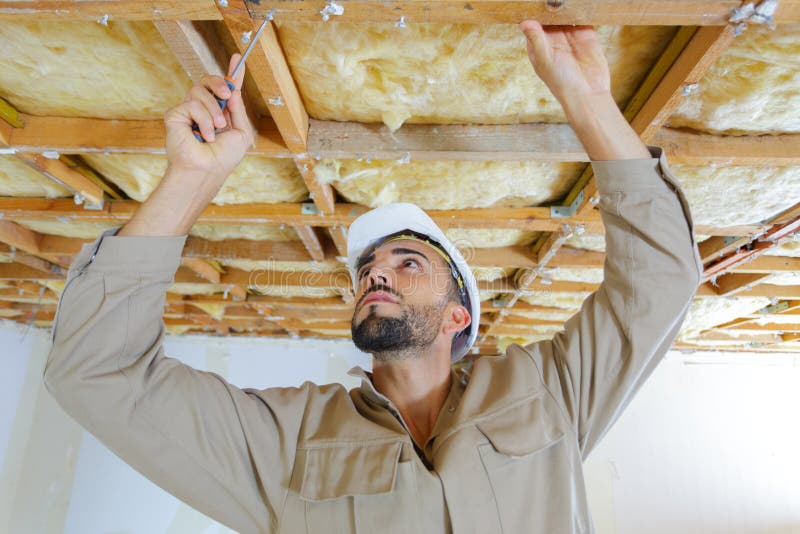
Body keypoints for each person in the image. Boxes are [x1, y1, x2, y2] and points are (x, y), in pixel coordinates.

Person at [44, 21, 701, 533]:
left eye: (406, 263)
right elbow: (97, 374)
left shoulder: (551, 391)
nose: (375, 274)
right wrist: (193, 179)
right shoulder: (290, 443)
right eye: (368, 269)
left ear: (457, 315)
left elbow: (662, 279)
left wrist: (588, 102)